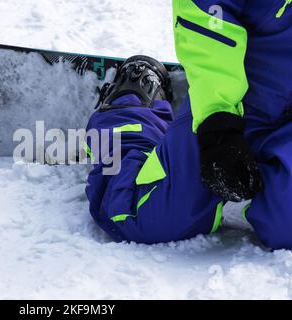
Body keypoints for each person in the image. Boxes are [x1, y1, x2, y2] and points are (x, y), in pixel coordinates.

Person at [85, 0, 292, 249]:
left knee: (287, 228)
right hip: (235, 101)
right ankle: (132, 106)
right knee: (145, 216)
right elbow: (210, 16)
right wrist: (219, 125)